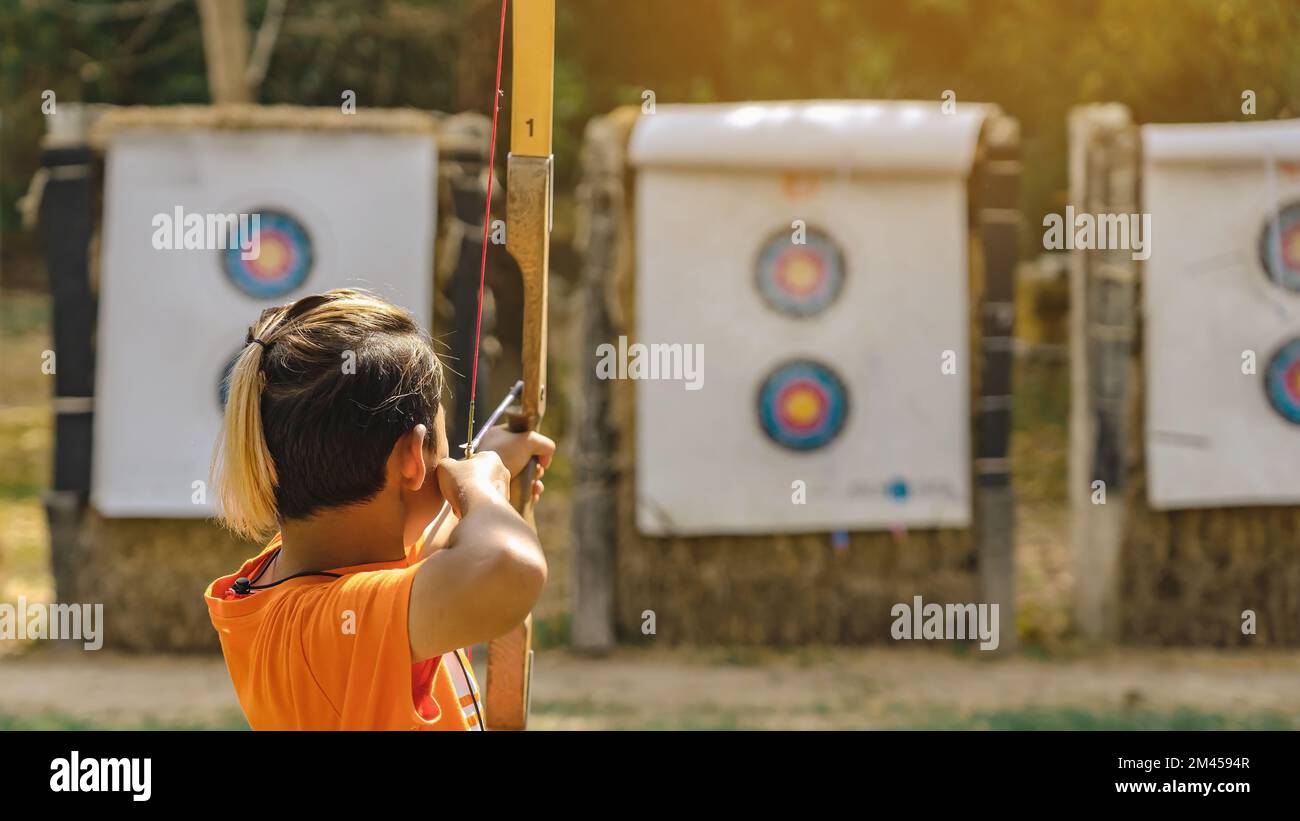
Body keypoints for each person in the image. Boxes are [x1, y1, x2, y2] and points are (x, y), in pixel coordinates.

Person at [203, 289, 553, 730]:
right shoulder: (333, 621)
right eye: (443, 443)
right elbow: (508, 568)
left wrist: (487, 459)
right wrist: (482, 493)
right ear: (411, 458)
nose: (452, 460)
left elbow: (415, 555)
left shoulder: (290, 572)